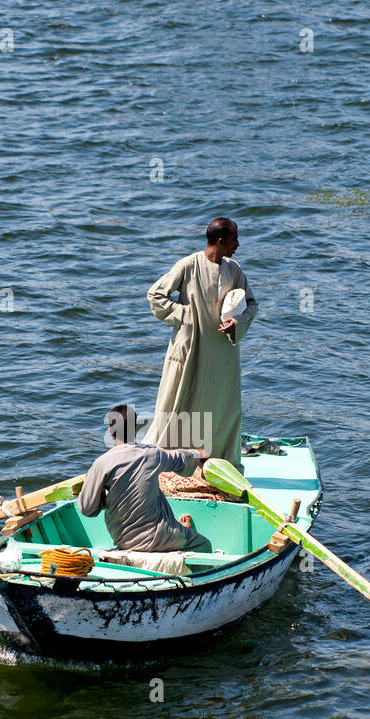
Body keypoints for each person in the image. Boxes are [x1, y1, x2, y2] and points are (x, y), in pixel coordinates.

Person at [144, 217, 258, 470]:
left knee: (222, 407)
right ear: (220, 240)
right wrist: (185, 315)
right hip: (191, 349)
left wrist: (236, 324)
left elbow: (251, 304)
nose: (238, 244)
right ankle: (171, 463)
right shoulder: (188, 265)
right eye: (234, 239)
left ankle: (218, 463)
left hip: (223, 353)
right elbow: (155, 295)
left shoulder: (234, 270)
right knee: (180, 404)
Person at [79, 405, 212, 553]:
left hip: (124, 540)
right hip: (160, 537)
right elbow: (181, 456)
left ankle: (178, 534)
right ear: (135, 430)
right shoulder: (154, 455)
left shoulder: (101, 463)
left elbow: (87, 509)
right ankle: (178, 537)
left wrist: (106, 497)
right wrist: (200, 453)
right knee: (204, 545)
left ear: (110, 431)